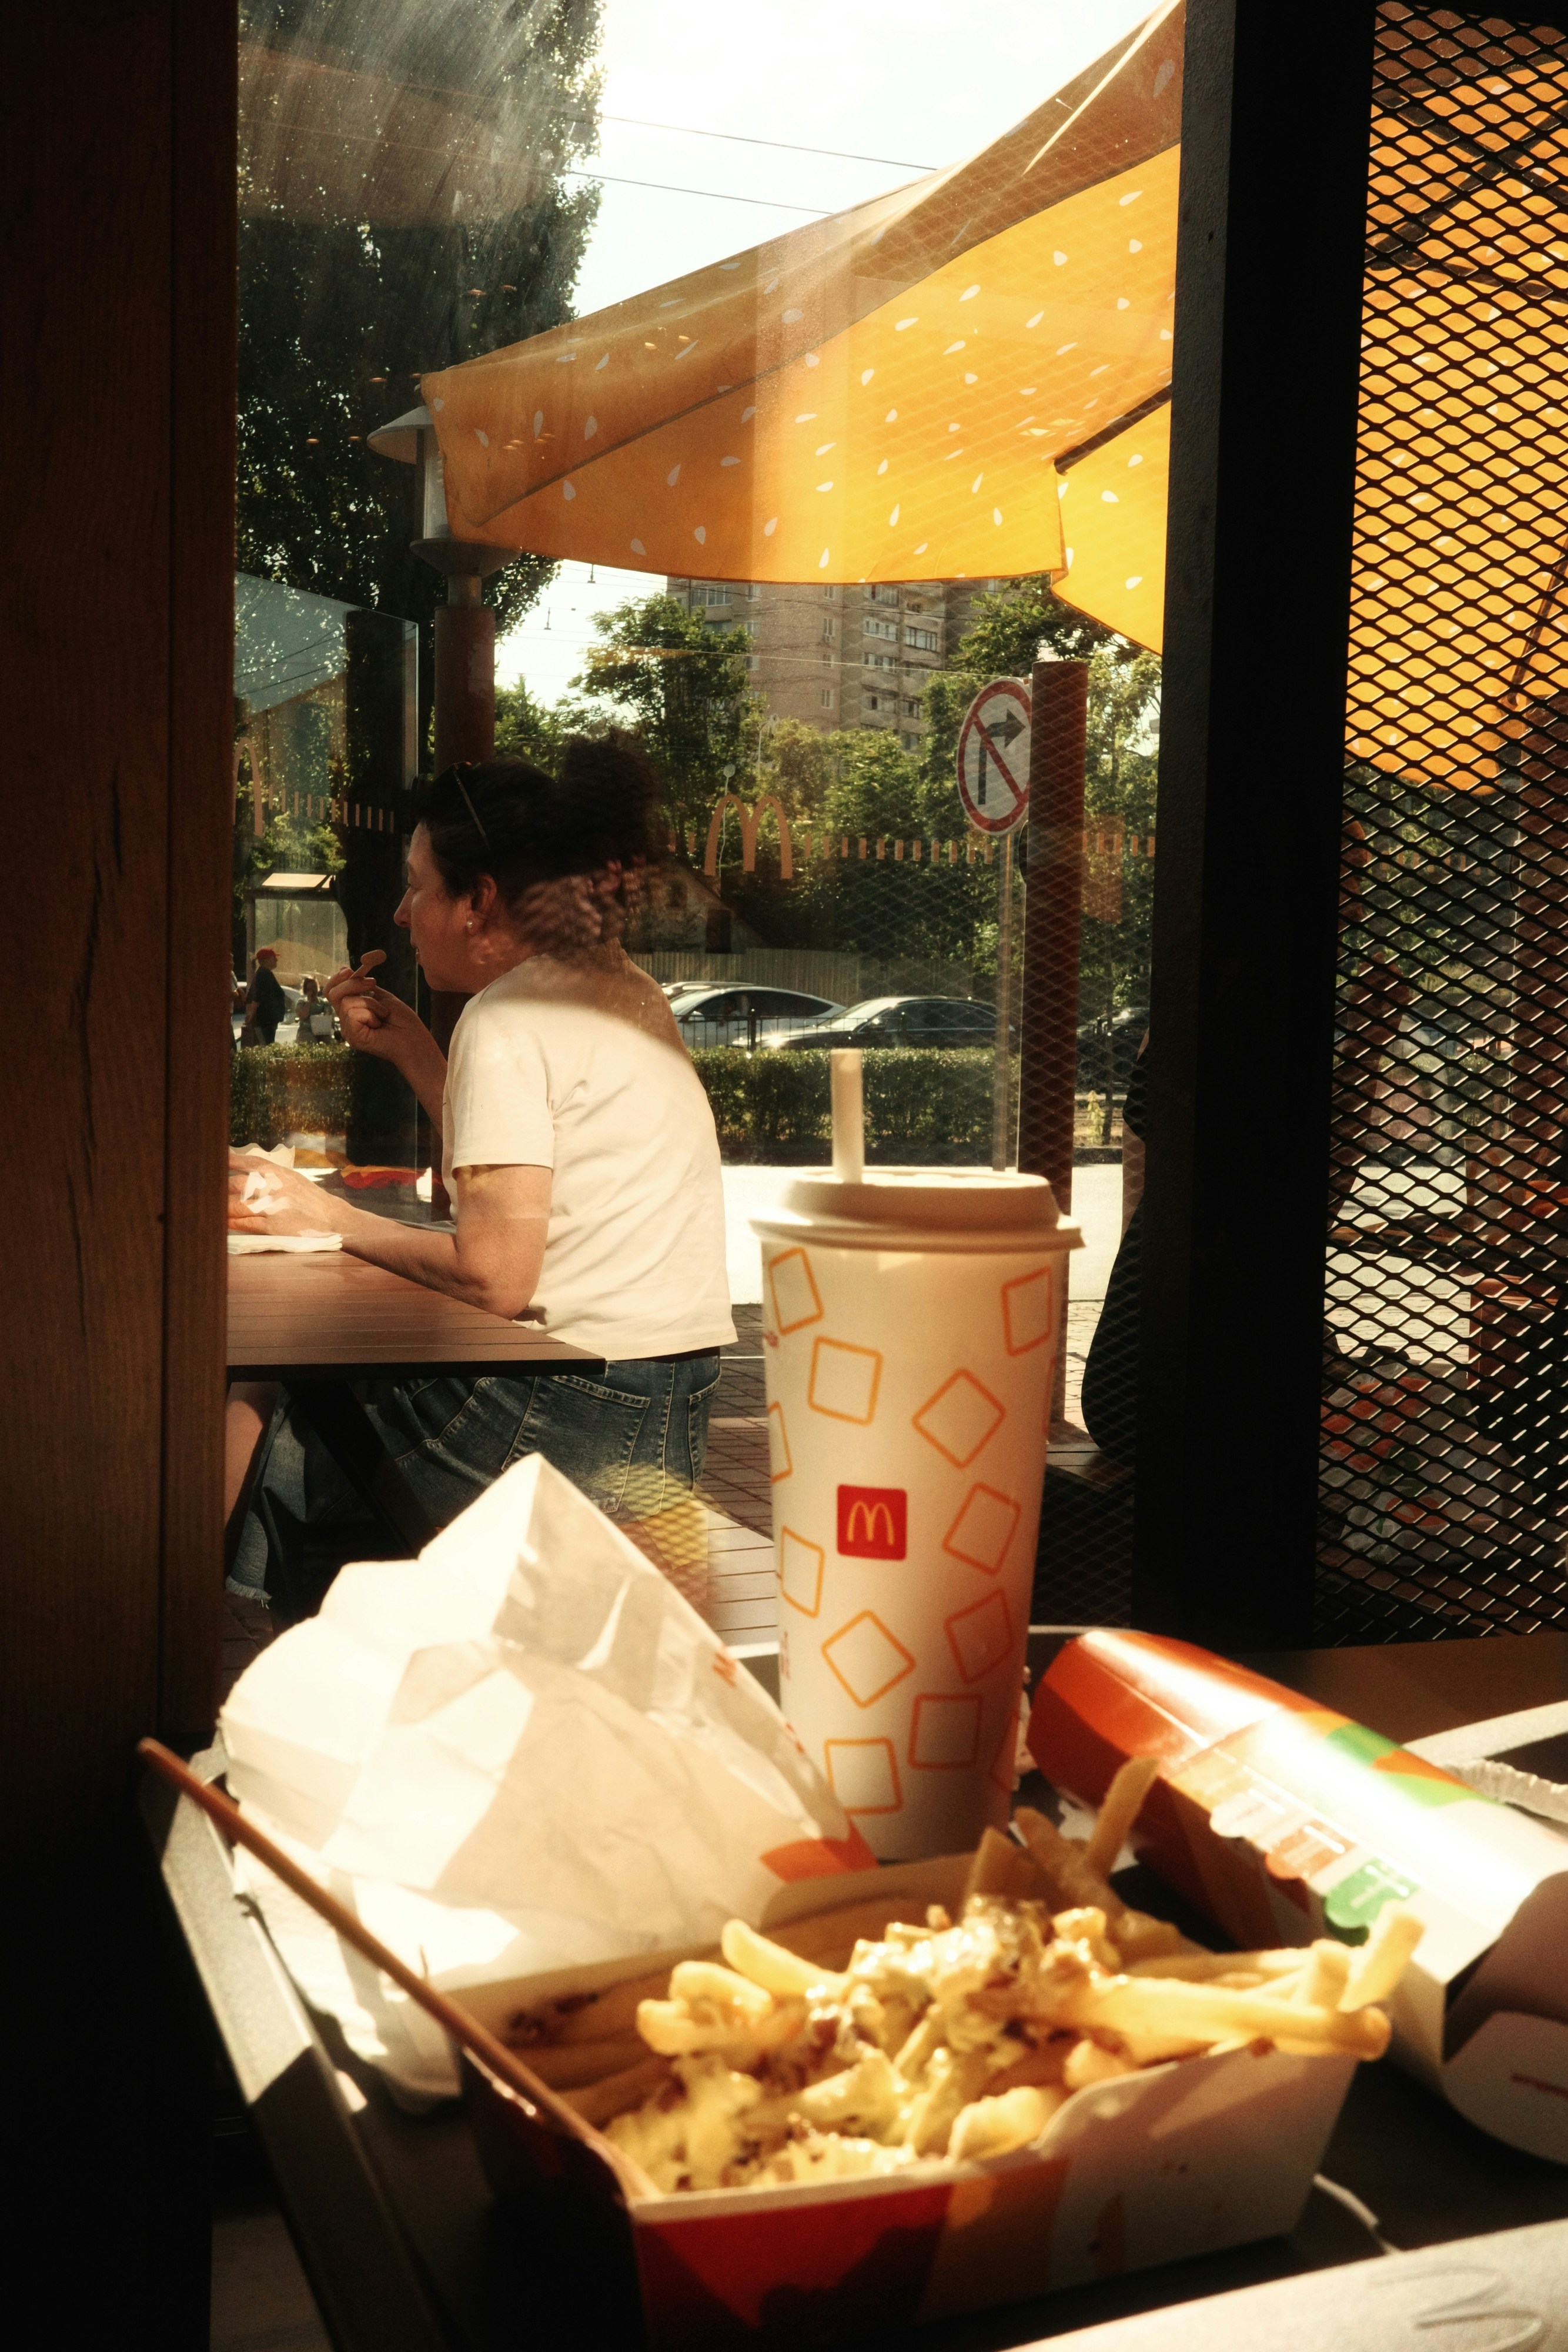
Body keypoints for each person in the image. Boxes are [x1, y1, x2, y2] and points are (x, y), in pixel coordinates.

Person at [224, 737, 735, 1617]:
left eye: (419, 884)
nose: (399, 912)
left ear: (480, 901)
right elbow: (536, 1196)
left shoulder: (506, 1020)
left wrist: (318, 1215)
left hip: (564, 1415)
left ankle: (190, 1636)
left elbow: (495, 1277)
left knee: (278, 1397)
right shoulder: (623, 988)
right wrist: (420, 1057)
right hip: (670, 1414)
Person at [241, 946, 286, 1044]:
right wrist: (251, 1017)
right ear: (266, 961)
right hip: (265, 1021)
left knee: (267, 1045)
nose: (276, 960)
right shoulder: (264, 974)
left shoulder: (263, 973)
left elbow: (251, 997)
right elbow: (258, 997)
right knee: (266, 1046)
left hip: (266, 1021)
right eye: (274, 958)